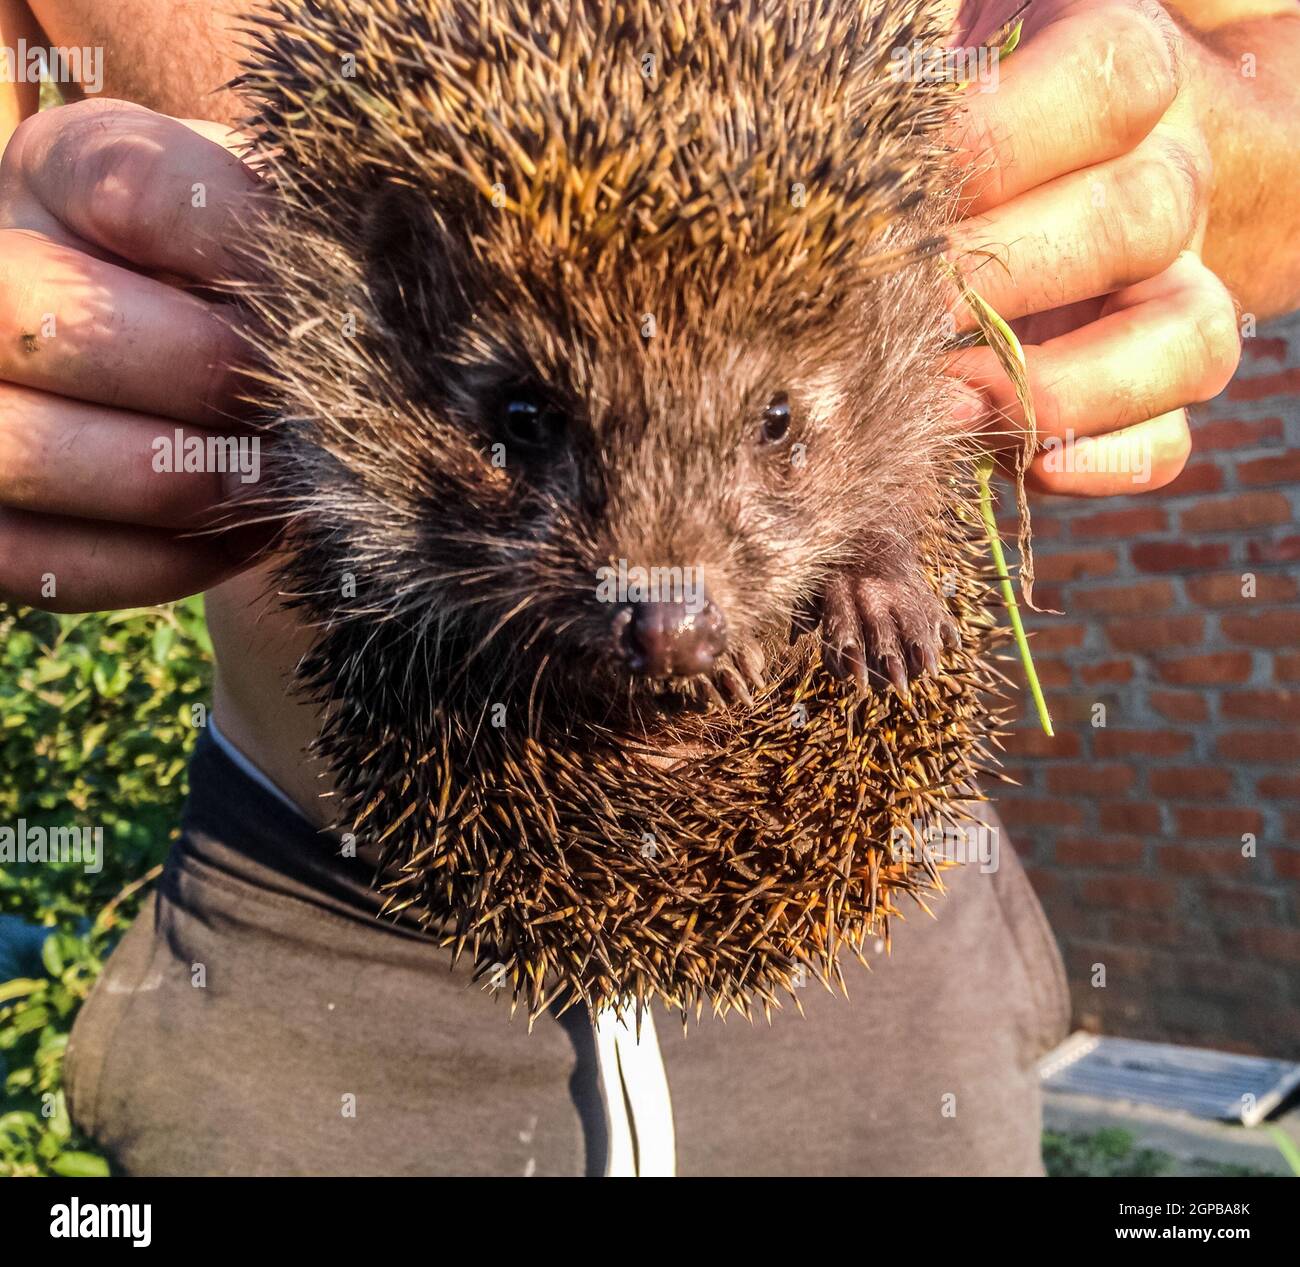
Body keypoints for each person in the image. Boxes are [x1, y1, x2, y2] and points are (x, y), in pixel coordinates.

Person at [0, 0, 1294, 1175]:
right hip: (317, 920)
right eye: (524, 419)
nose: (668, 609)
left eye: (775, 423)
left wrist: (1190, 143)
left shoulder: (887, 356)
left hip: (903, 945)